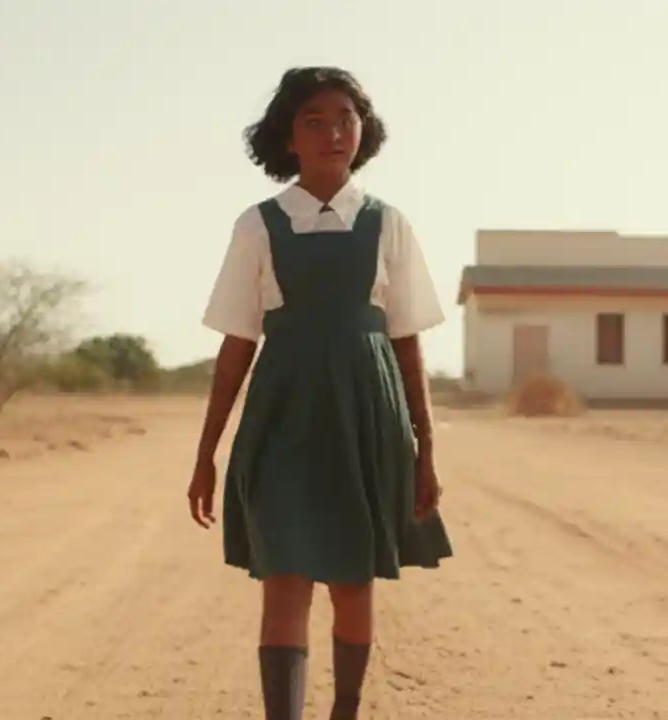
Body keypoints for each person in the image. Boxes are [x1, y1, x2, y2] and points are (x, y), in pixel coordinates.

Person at [188, 66, 453, 720]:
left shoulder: (388, 225)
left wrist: (425, 447)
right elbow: (236, 346)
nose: (334, 132)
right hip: (282, 416)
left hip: (366, 415)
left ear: (364, 131)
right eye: (315, 120)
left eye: (346, 118)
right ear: (287, 137)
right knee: (284, 580)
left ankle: (345, 712)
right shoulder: (258, 226)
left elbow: (407, 339)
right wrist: (206, 454)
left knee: (354, 582)